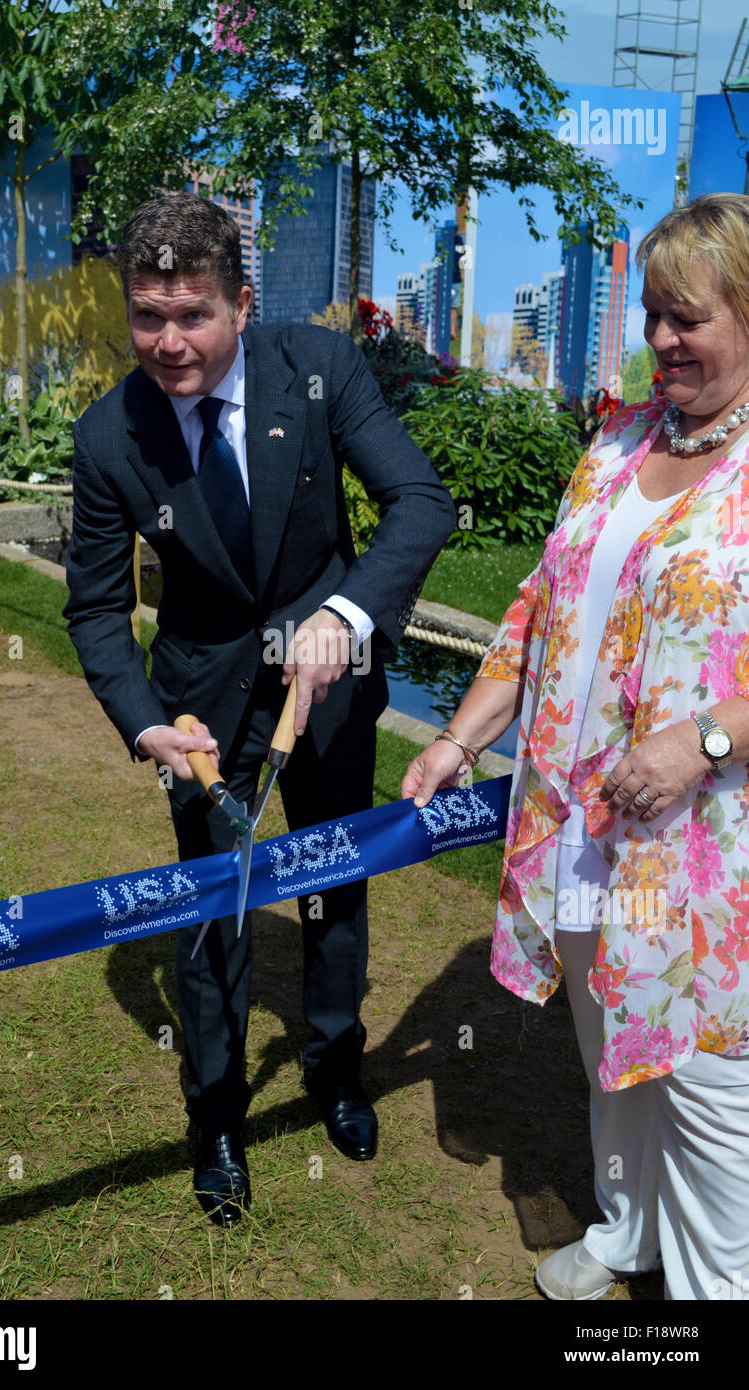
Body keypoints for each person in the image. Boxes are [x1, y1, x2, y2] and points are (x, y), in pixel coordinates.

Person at [64, 192, 456, 1226]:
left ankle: (335, 1069)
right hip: (198, 710)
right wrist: (146, 721)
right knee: (211, 919)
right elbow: (99, 608)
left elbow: (421, 502)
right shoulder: (108, 434)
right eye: (148, 315)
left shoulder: (318, 369)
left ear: (241, 303)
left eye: (192, 313)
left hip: (328, 691)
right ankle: (218, 1117)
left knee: (333, 895)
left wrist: (343, 612)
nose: (169, 341)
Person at [402, 192, 749, 1300]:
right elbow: (535, 610)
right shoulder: (614, 444)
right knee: (609, 1046)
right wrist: (460, 739)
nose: (658, 341)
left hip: (701, 851)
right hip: (578, 824)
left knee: (702, 1083)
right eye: (650, 314)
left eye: (686, 318)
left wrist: (703, 739)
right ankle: (626, 1230)